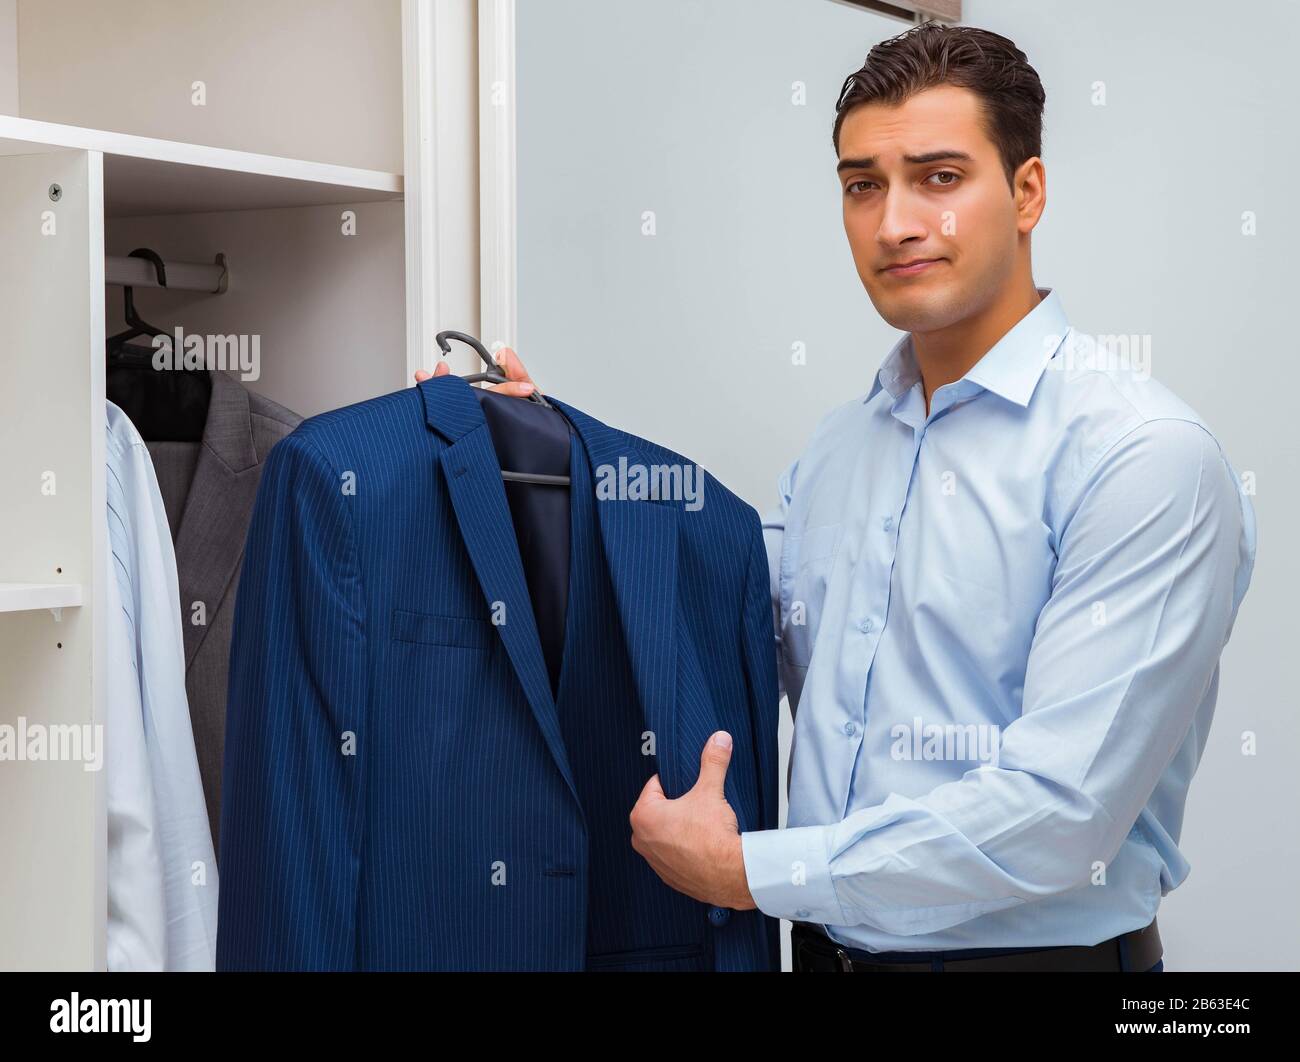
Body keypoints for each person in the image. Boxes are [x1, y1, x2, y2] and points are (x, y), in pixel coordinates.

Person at [417, 21, 1255, 972]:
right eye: (863, 185)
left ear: (1028, 192)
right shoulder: (842, 446)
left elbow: (1062, 814)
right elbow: (720, 608)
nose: (894, 222)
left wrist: (750, 873)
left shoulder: (1145, 458)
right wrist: (551, 460)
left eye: (939, 177)